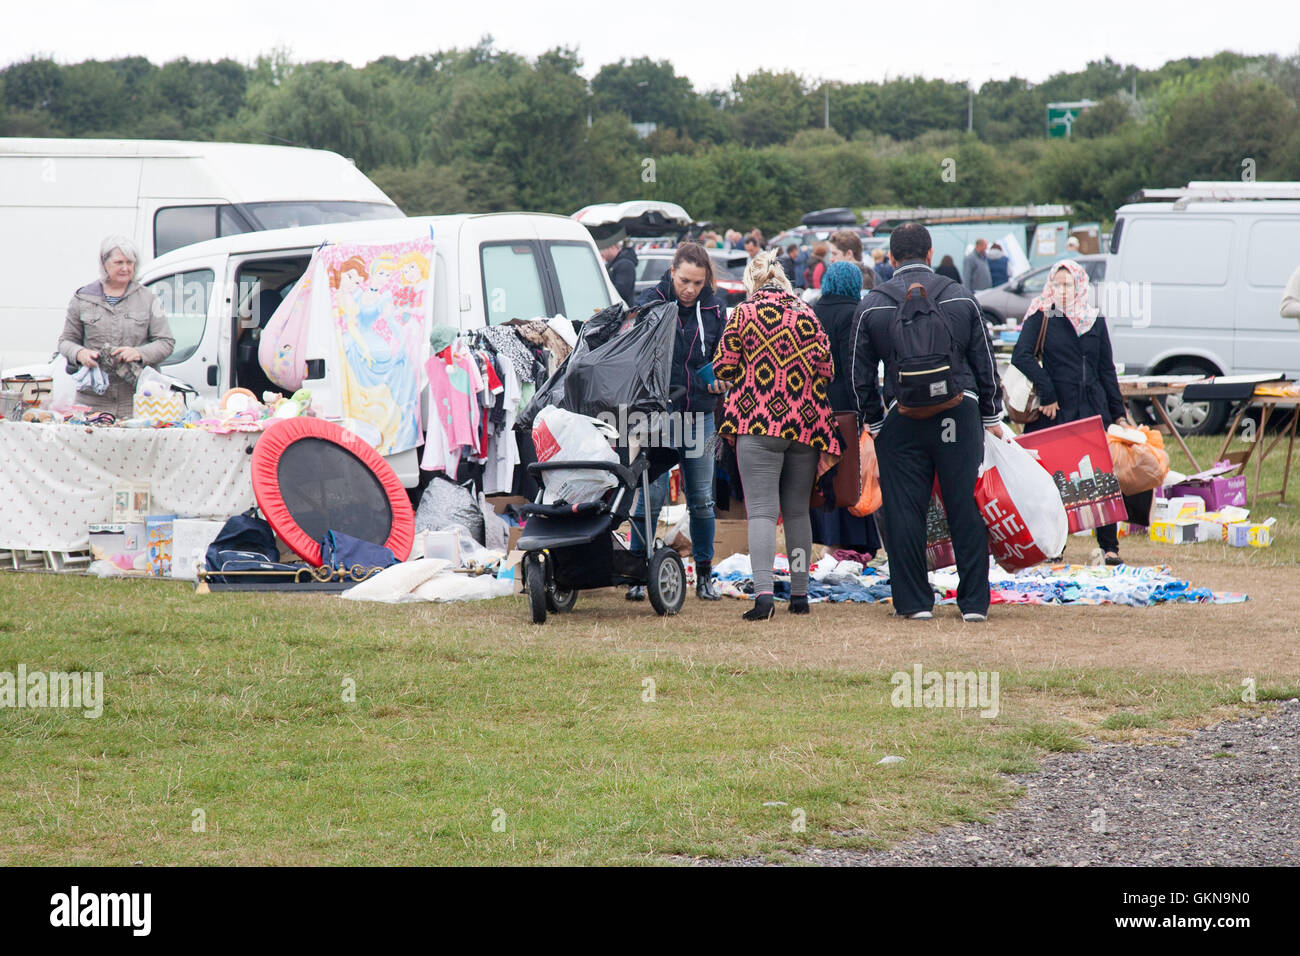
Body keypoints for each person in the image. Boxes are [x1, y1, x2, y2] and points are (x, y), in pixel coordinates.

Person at [851, 222, 1003, 622]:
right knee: (965, 505)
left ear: (892, 257)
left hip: (901, 416)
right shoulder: (960, 298)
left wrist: (875, 423)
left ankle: (915, 602)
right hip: (959, 410)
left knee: (904, 510)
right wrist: (991, 415)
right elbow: (985, 362)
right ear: (931, 254)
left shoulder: (873, 304)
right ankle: (973, 603)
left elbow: (858, 375)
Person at [714, 250, 840, 621]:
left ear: (752, 283)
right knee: (798, 512)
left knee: (763, 514)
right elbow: (826, 369)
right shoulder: (807, 314)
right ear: (783, 282)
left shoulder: (743, 314)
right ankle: (800, 595)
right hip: (804, 425)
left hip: (756, 422)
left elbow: (723, 365)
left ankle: (765, 597)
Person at [1011, 258, 1146, 565]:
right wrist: (1047, 390)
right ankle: (1054, 546)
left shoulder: (1094, 319)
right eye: (1056, 284)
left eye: (1068, 284)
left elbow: (1106, 370)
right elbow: (1022, 356)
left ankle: (1109, 547)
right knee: (1055, 481)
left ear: (1080, 285)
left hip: (1092, 408)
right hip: (1056, 411)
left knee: (1100, 478)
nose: (1061, 290)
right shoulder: (1042, 313)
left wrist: (1118, 413)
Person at [627, 241, 727, 601]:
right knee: (649, 496)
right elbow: (633, 357)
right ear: (672, 272)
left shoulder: (716, 306)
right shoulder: (650, 301)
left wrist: (722, 379)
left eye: (698, 283)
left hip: (700, 414)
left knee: (701, 499)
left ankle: (704, 575)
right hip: (657, 414)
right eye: (685, 280)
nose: (690, 289)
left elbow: (724, 355)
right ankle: (638, 573)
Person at [58, 235, 175, 420]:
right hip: (93, 400)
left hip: (138, 399)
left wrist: (139, 353)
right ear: (105, 264)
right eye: (119, 262)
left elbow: (166, 342)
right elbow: (65, 342)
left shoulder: (149, 299)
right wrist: (80, 353)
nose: (126, 268)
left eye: (130, 262)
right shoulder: (82, 299)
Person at [812, 260, 880, 557]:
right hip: (846, 406)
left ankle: (829, 540)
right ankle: (852, 541)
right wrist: (866, 410)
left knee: (823, 473)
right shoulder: (854, 312)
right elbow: (856, 367)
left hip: (814, 405)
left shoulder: (812, 309)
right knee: (851, 475)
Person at [602, 241, 638, 306]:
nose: (602, 253)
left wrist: (604, 294)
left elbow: (621, 290)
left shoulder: (625, 264)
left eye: (603, 249)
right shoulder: (613, 263)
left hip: (621, 309)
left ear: (612, 247)